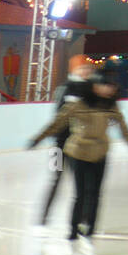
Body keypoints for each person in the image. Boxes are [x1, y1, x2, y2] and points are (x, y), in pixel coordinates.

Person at [28, 72, 128, 255]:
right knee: (57, 181)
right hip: (60, 148)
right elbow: (56, 122)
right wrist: (38, 138)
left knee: (90, 192)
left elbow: (125, 130)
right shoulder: (66, 90)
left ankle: (86, 227)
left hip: (89, 150)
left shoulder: (107, 103)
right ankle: (43, 221)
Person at [36, 55, 97, 230]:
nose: (86, 72)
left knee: (82, 183)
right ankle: (44, 217)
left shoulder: (90, 90)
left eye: (88, 69)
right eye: (82, 68)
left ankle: (82, 219)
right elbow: (60, 116)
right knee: (56, 180)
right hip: (60, 144)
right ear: (74, 70)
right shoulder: (65, 89)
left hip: (79, 145)